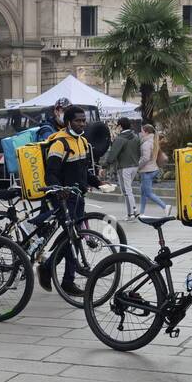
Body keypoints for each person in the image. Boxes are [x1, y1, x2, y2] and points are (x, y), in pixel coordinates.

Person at [43, 106, 105, 296]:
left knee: (73, 237)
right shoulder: (59, 143)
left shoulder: (83, 142)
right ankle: (66, 280)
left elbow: (83, 170)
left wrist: (98, 182)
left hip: (78, 197)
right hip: (62, 199)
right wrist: (59, 190)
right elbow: (50, 174)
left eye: (83, 120)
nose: (82, 124)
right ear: (68, 122)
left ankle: (47, 267)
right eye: (78, 121)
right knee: (73, 237)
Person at [101, 117, 140, 219]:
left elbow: (113, 154)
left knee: (127, 191)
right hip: (134, 166)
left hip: (124, 167)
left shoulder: (120, 138)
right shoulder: (136, 137)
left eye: (117, 125)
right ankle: (130, 213)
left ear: (120, 126)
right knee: (127, 190)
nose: (117, 127)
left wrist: (104, 166)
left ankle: (133, 212)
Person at [136, 123, 169, 217]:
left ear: (146, 132)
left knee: (148, 193)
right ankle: (142, 212)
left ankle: (165, 206)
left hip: (147, 170)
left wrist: (137, 167)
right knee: (143, 192)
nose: (140, 133)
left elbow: (145, 158)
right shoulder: (153, 141)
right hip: (153, 168)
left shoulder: (146, 143)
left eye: (142, 131)